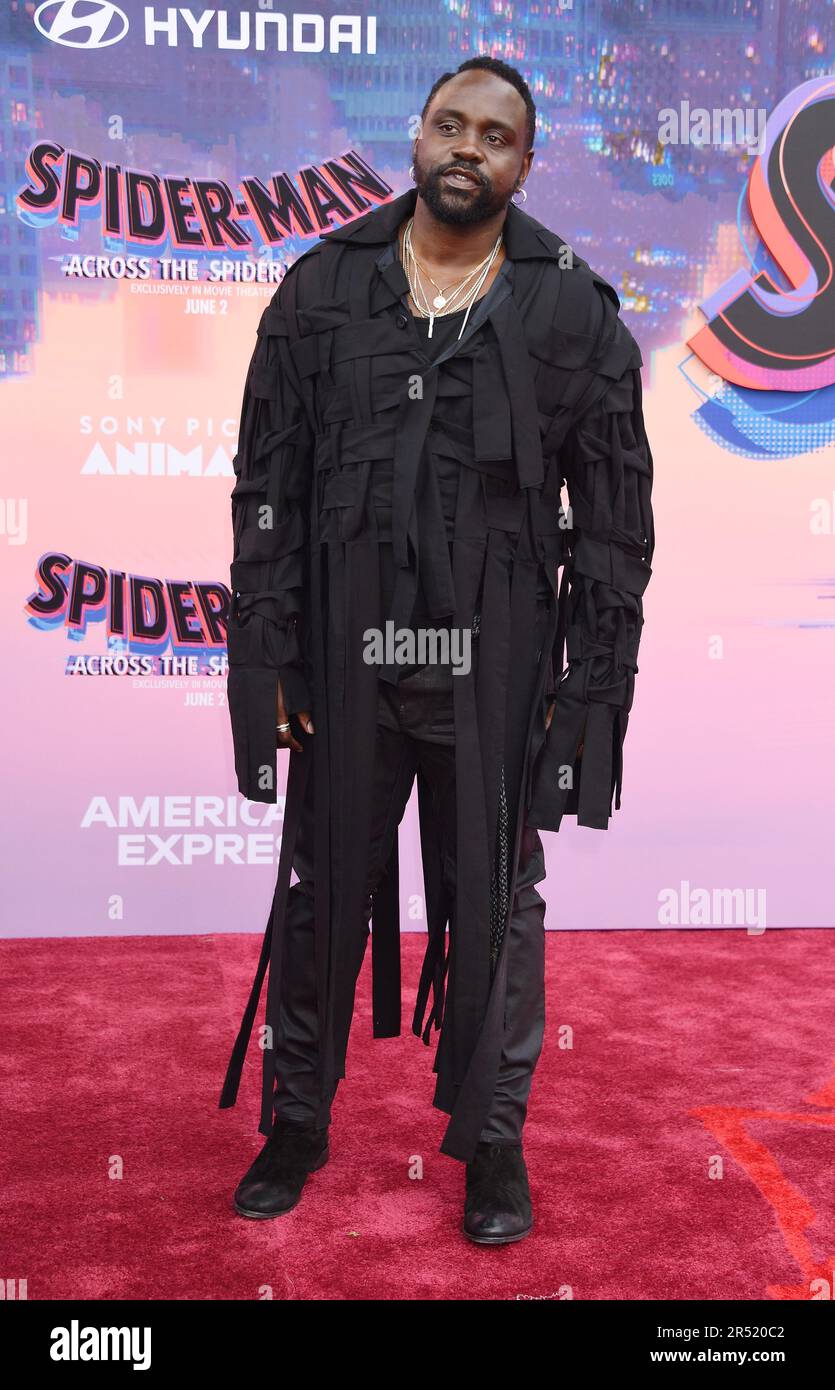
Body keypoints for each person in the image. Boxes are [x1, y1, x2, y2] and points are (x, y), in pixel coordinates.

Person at [219, 56, 655, 1245]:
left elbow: (614, 528)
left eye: (497, 135)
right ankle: (296, 1120)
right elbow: (268, 486)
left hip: (499, 673)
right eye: (449, 125)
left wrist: (588, 692)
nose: (469, 147)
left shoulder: (574, 311)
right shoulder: (320, 289)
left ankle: (493, 1140)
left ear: (525, 161)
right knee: (319, 894)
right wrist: (271, 658)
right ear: (415, 138)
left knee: (500, 906)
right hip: (348, 662)